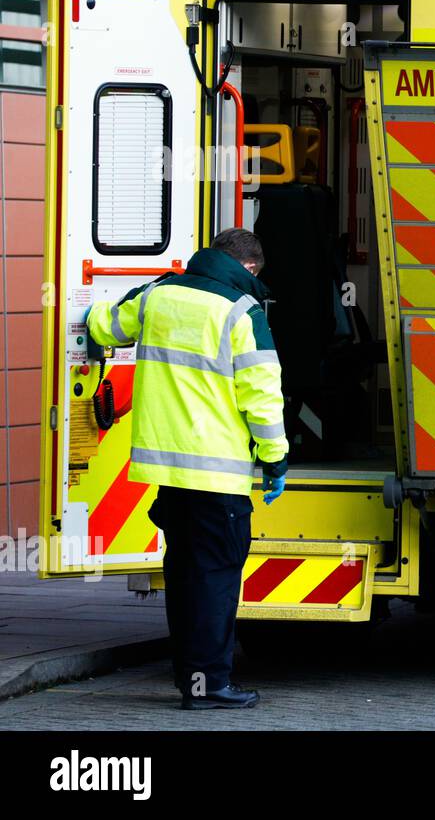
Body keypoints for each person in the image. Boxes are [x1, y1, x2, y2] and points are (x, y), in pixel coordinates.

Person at [86, 228, 288, 710]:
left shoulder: (158, 293)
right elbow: (261, 397)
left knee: (184, 580)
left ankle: (191, 680)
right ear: (251, 269)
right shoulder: (244, 312)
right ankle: (211, 685)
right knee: (216, 582)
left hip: (169, 476)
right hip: (218, 477)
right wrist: (274, 458)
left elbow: (105, 326)